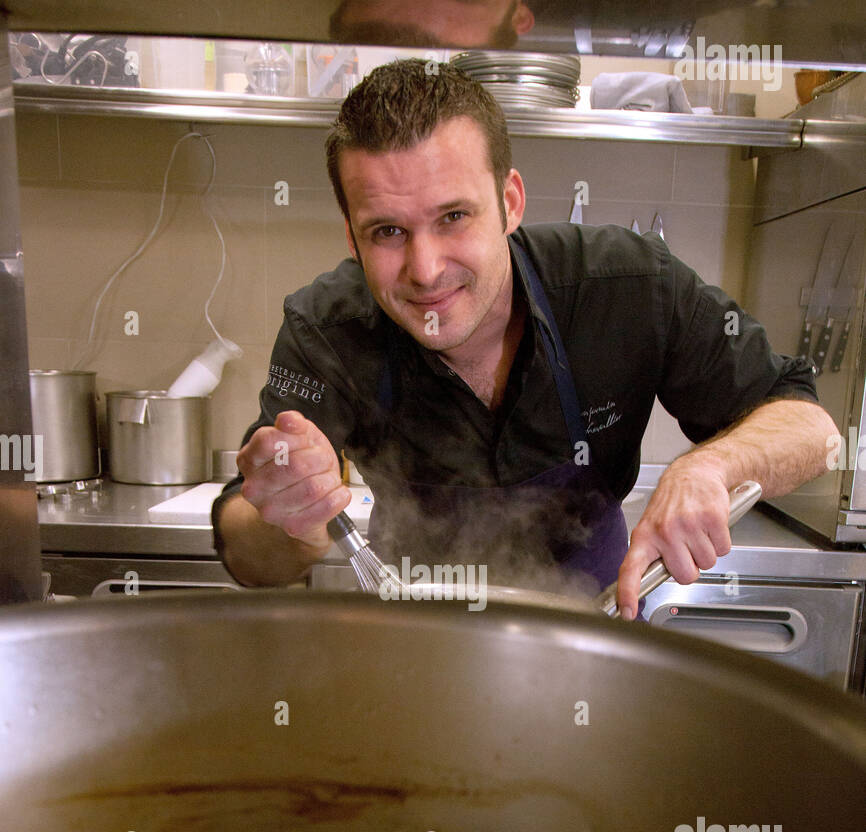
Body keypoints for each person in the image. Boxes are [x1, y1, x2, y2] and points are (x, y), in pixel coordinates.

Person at [213, 59, 837, 619]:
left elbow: (812, 428)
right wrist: (288, 520)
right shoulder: (326, 329)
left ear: (509, 202)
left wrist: (711, 465)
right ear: (352, 238)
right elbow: (253, 562)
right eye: (387, 232)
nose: (425, 270)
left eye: (453, 217)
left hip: (593, 628)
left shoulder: (628, 285)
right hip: (412, 646)